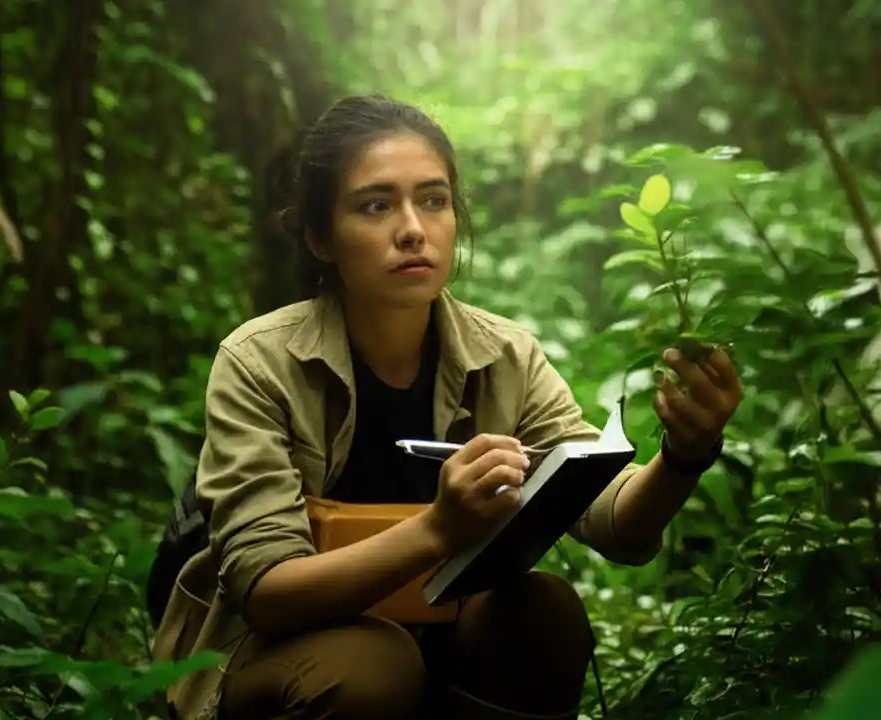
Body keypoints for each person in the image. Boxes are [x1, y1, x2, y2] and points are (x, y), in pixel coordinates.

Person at [151, 95, 743, 720]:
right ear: (319, 236)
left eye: (433, 200)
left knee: (545, 612)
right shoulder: (258, 361)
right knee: (370, 667)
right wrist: (439, 528)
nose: (412, 228)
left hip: (439, 640)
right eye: (376, 205)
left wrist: (683, 456)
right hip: (283, 655)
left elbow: (611, 520)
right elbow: (268, 592)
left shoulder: (505, 355)